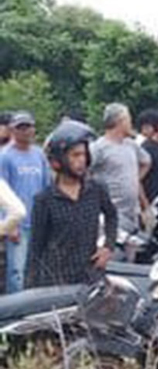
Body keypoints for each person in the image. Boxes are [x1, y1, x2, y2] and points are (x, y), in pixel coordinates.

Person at [26, 120, 116, 288]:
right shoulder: (44, 199)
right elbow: (35, 248)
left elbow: (112, 215)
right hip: (56, 281)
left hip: (89, 275)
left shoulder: (96, 189)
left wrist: (108, 247)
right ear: (57, 161)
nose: (81, 160)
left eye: (83, 154)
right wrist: (30, 287)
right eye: (75, 155)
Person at [0, 112, 52, 292]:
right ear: (12, 130)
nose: (25, 131)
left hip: (38, 221)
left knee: (37, 268)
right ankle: (15, 310)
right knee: (17, 270)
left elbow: (48, 187)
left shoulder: (39, 155)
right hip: (18, 224)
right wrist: (10, 225)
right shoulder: (5, 156)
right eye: (20, 127)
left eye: (28, 127)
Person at [89, 103, 151, 242]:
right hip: (109, 213)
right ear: (119, 121)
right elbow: (83, 170)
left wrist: (135, 179)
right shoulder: (99, 147)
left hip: (131, 213)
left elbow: (146, 162)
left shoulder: (131, 145)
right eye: (128, 119)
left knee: (131, 251)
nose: (131, 123)